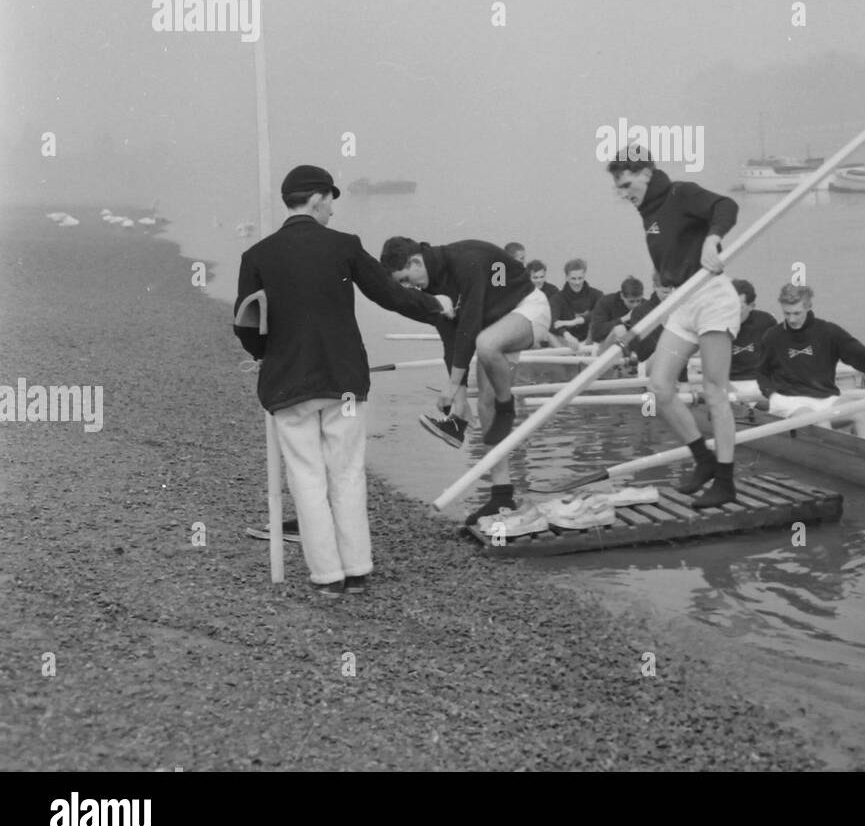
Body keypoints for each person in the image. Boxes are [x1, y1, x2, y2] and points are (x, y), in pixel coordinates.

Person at [233, 165, 451, 599]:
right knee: (347, 471)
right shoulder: (345, 246)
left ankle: (327, 577)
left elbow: (245, 323)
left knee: (306, 477)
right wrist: (437, 306)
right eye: (330, 199)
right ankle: (357, 571)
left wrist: (265, 356)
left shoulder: (256, 257)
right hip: (345, 385)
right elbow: (391, 296)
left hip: (288, 386)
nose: (333, 208)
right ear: (315, 199)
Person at [380, 235, 553, 524]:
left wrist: (451, 386)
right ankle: (501, 495)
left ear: (415, 261)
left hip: (527, 309)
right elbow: (450, 336)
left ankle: (507, 405)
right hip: (494, 326)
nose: (411, 288)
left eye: (407, 279)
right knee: (485, 405)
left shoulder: (465, 260)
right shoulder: (433, 285)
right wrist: (458, 397)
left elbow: (470, 323)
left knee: (485, 345)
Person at [607, 151, 742, 506]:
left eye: (627, 184)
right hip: (681, 305)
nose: (624, 193)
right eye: (618, 188)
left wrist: (713, 239)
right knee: (660, 385)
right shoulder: (647, 210)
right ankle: (704, 460)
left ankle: (725, 482)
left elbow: (726, 206)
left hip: (712, 297)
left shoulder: (680, 192)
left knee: (714, 390)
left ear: (647, 172)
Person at [756, 284, 865, 434]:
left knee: (860, 412)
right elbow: (761, 372)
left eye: (796, 313)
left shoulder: (828, 332)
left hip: (825, 399)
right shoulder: (772, 336)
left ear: (808, 307)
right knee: (820, 422)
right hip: (789, 400)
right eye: (787, 313)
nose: (791, 319)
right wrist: (771, 394)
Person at [729, 280, 777, 382]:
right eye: (729, 306)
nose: (731, 312)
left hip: (759, 382)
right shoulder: (716, 325)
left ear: (751, 306)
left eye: (738, 307)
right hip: (727, 382)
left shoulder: (766, 322)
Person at [551, 258, 602, 343]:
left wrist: (574, 322)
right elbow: (552, 321)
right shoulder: (557, 298)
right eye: (573, 279)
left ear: (584, 275)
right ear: (567, 277)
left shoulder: (596, 294)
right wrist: (567, 335)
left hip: (591, 341)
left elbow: (600, 314)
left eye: (580, 278)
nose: (577, 282)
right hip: (567, 341)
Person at [587, 276, 646, 345]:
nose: (635, 305)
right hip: (606, 346)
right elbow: (595, 333)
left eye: (638, 301)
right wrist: (623, 319)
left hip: (634, 347)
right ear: (622, 296)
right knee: (619, 330)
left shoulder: (645, 305)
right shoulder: (606, 302)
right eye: (631, 301)